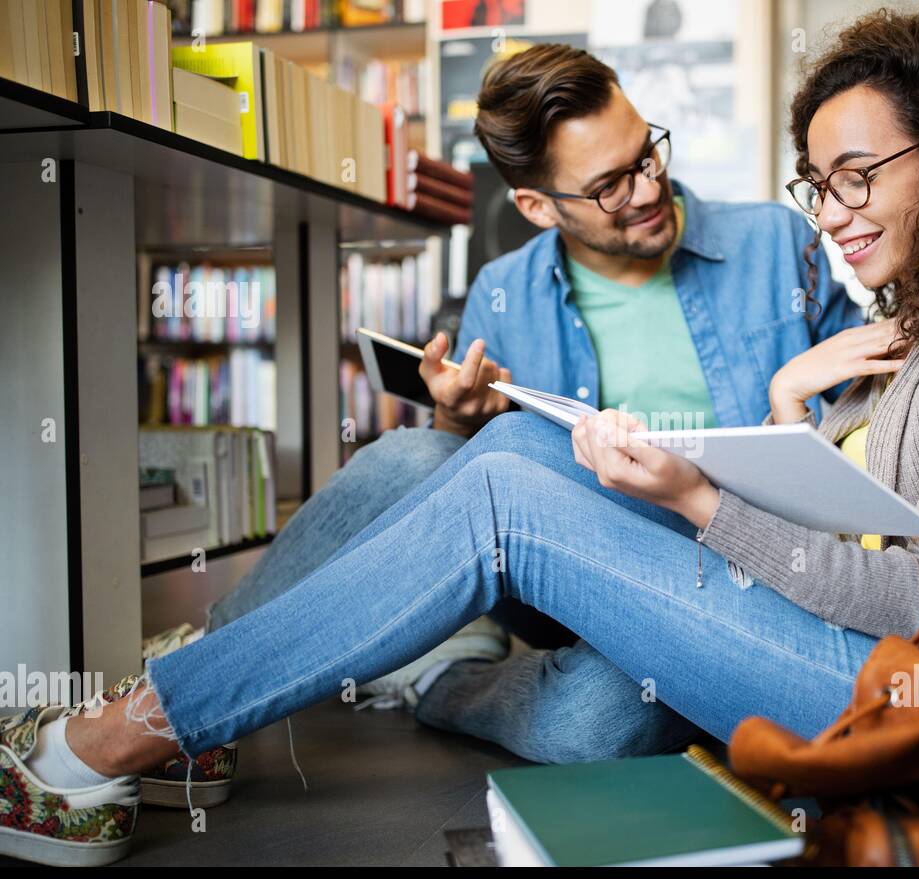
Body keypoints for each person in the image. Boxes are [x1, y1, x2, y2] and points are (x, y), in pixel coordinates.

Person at [1, 9, 919, 866]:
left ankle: (124, 735)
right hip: (819, 645)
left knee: (574, 659)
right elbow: (839, 516)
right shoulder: (909, 316)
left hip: (916, 701)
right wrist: (787, 402)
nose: (833, 211)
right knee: (490, 461)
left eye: (860, 175)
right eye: (820, 183)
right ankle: (186, 708)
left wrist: (694, 497)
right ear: (536, 205)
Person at [200, 43, 860, 764]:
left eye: (647, 156)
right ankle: (206, 659)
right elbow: (469, 489)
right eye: (608, 186)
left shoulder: (774, 241)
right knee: (416, 454)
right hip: (574, 571)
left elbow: (863, 424)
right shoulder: (502, 290)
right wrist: (459, 421)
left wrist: (793, 413)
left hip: (737, 567)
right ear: (536, 206)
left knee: (595, 727)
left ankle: (444, 674)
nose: (646, 191)